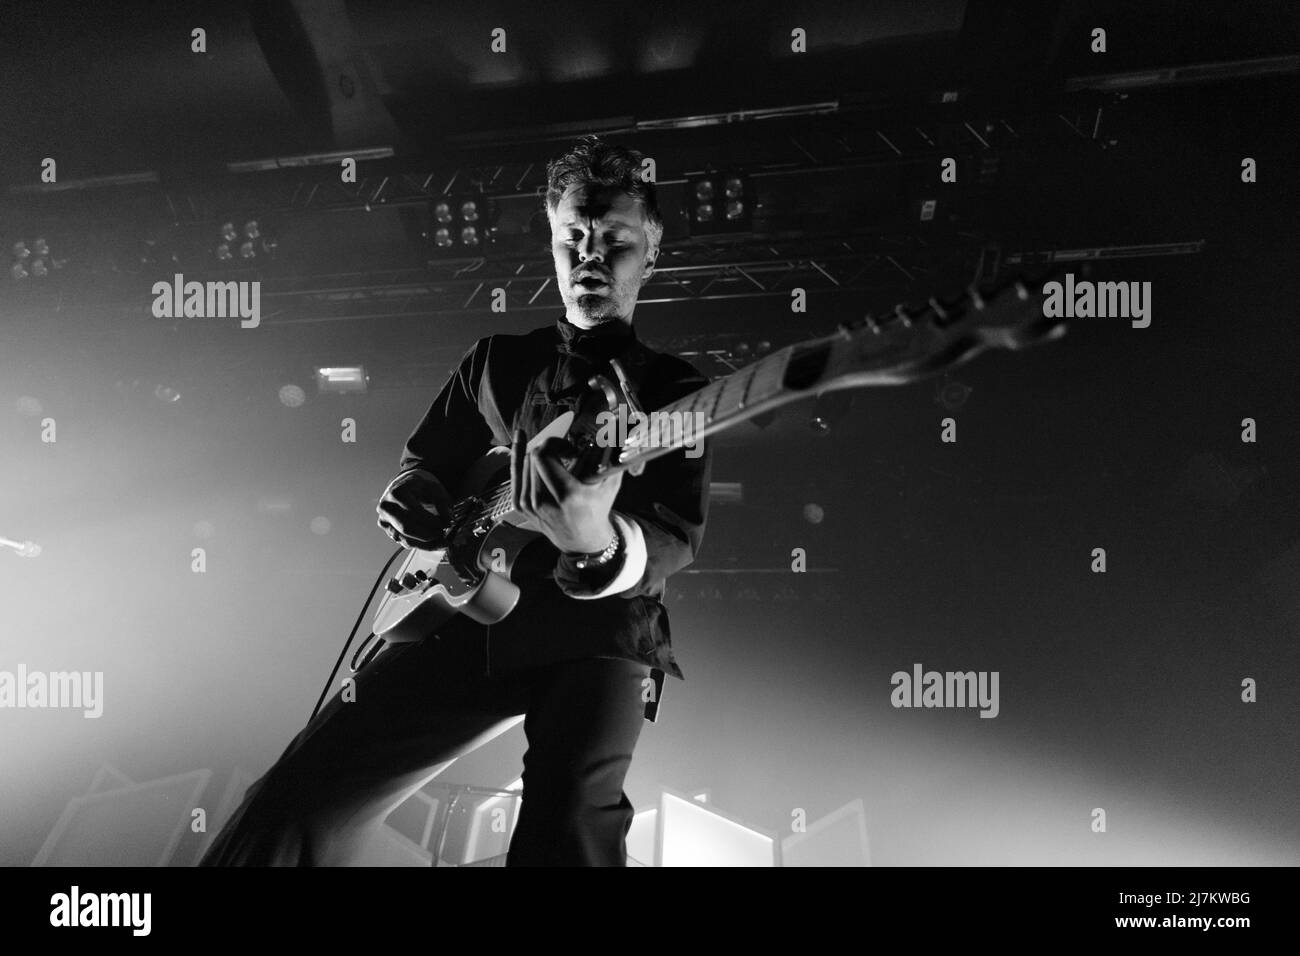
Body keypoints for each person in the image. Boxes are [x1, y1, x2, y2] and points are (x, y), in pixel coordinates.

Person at [198, 136, 712, 867]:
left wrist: (596, 539)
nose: (590, 255)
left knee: (569, 828)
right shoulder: (494, 360)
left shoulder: (676, 394)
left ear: (650, 258)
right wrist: (410, 500)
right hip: (466, 612)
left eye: (615, 242)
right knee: (294, 797)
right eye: (573, 238)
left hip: (597, 630)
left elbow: (674, 532)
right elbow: (422, 466)